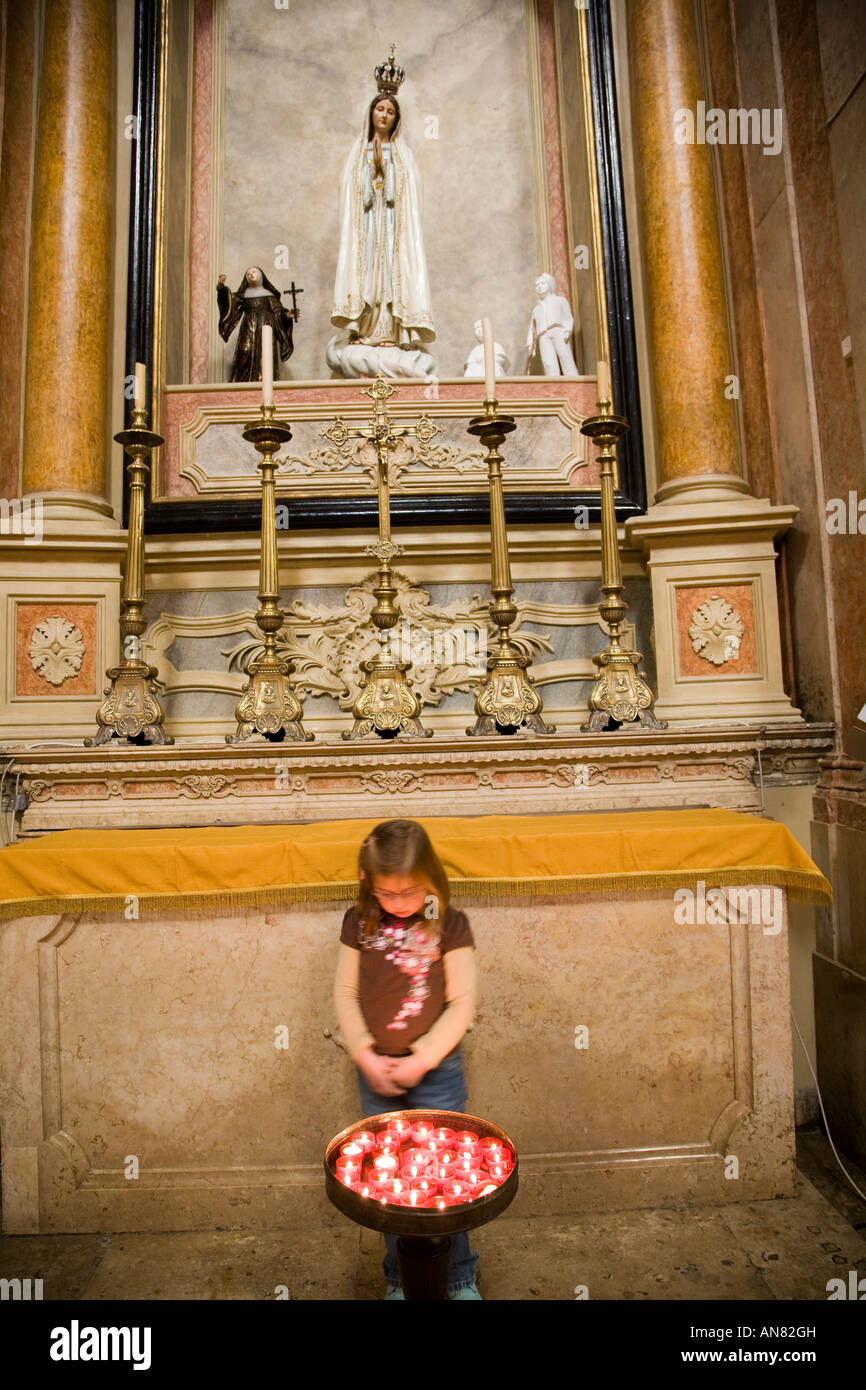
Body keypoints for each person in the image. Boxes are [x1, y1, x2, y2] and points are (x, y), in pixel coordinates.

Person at [333, 818, 481, 1300]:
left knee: (446, 1181)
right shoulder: (359, 923)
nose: (397, 904)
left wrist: (424, 1057)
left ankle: (458, 1277)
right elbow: (346, 992)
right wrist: (363, 1052)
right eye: (385, 893)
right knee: (389, 1182)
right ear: (367, 885)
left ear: (433, 880)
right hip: (376, 1072)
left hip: (438, 1073)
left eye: (409, 892)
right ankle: (399, 1279)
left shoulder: (450, 923)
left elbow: (462, 1003)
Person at [331, 68, 435, 352]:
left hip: (391, 227)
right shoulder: (358, 150)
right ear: (371, 113)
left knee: (390, 275)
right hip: (366, 225)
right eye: (380, 109)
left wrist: (386, 169)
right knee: (367, 274)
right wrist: (370, 170)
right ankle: (365, 328)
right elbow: (354, 194)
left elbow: (406, 192)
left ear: (396, 118)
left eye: (390, 111)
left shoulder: (402, 153)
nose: (384, 115)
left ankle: (390, 329)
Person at [217, 265, 294, 382]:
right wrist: (221, 288)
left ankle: (264, 381)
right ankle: (242, 383)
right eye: (248, 274)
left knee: (265, 356)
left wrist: (287, 315)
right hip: (248, 328)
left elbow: (278, 312)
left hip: (266, 328)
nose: (251, 275)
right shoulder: (244, 295)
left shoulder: (268, 294)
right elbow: (230, 304)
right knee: (245, 350)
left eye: (253, 272)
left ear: (261, 275)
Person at [526, 272, 578, 376]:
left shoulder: (560, 301)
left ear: (550, 284)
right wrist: (530, 342)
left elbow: (568, 318)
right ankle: (553, 380)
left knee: (564, 356)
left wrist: (567, 330)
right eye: (537, 285)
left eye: (542, 283)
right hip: (543, 335)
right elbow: (532, 328)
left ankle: (572, 378)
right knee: (548, 361)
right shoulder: (536, 309)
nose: (539, 287)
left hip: (558, 330)